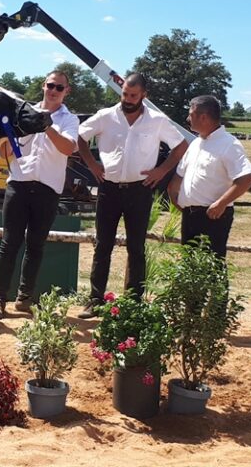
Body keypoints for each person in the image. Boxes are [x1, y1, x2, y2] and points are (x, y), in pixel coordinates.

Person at [77, 73, 188, 318]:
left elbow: (181, 146)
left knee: (136, 248)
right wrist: (92, 164)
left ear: (144, 95)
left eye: (133, 95)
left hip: (140, 190)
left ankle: (134, 303)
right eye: (125, 94)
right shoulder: (105, 116)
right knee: (102, 246)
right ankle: (94, 300)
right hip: (109, 189)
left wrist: (161, 170)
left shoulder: (157, 121)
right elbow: (79, 136)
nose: (127, 99)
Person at [0, 71, 79, 319]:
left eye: (59, 87)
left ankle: (24, 298)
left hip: (48, 189)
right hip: (18, 183)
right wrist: (7, 136)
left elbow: (68, 147)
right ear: (43, 85)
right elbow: (5, 153)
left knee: (36, 246)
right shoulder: (22, 112)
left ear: (66, 91)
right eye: (50, 85)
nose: (53, 90)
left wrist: (46, 125)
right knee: (9, 244)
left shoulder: (70, 120)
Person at [168, 95, 251, 258]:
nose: (188, 119)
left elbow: (247, 177)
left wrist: (221, 204)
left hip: (213, 216)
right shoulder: (195, 143)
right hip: (190, 215)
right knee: (189, 265)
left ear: (203, 117)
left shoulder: (229, 144)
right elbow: (180, 174)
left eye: (191, 115)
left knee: (211, 267)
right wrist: (174, 194)